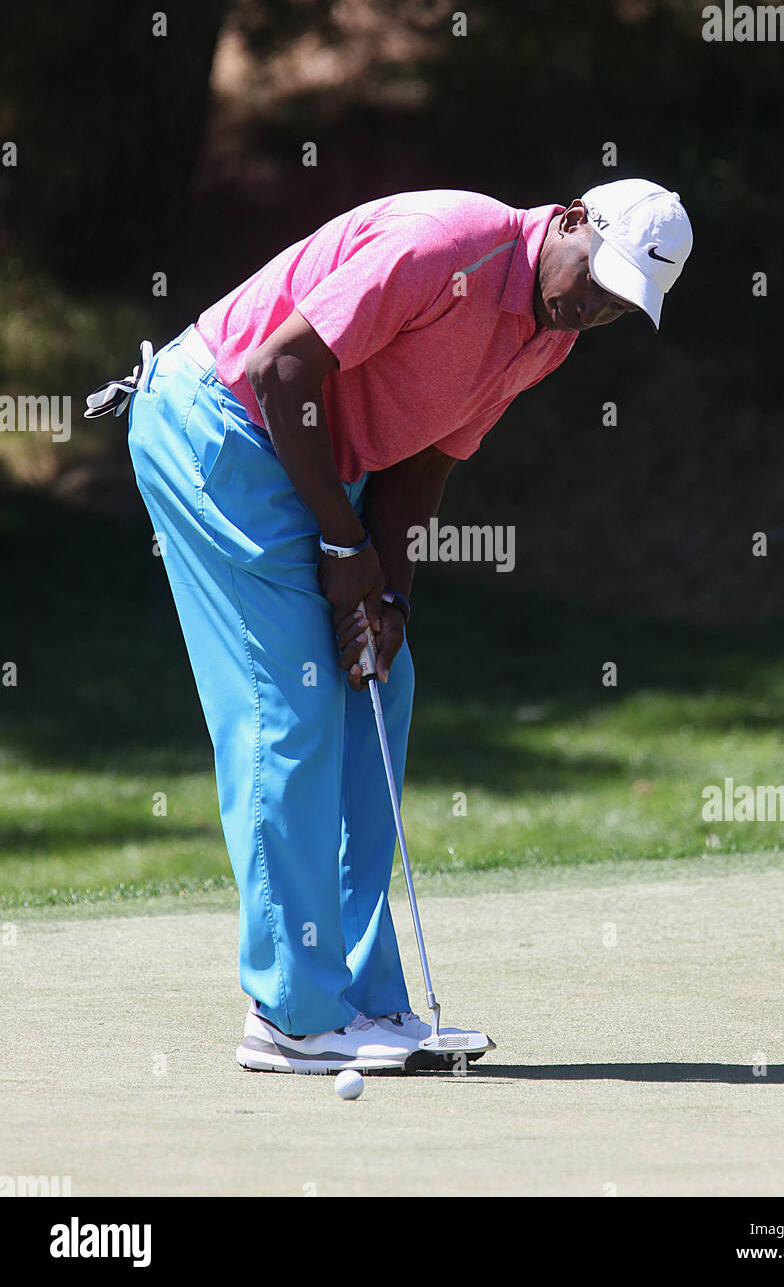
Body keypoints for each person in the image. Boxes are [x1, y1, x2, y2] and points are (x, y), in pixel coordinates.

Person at [86, 178, 693, 1075]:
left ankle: (366, 1004)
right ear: (567, 220)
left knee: (378, 682)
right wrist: (342, 545)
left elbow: (424, 462)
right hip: (218, 425)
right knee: (289, 703)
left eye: (616, 303)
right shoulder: (445, 245)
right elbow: (279, 369)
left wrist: (389, 598)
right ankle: (292, 1015)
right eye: (592, 277)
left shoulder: (547, 336)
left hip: (313, 458)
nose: (591, 305)